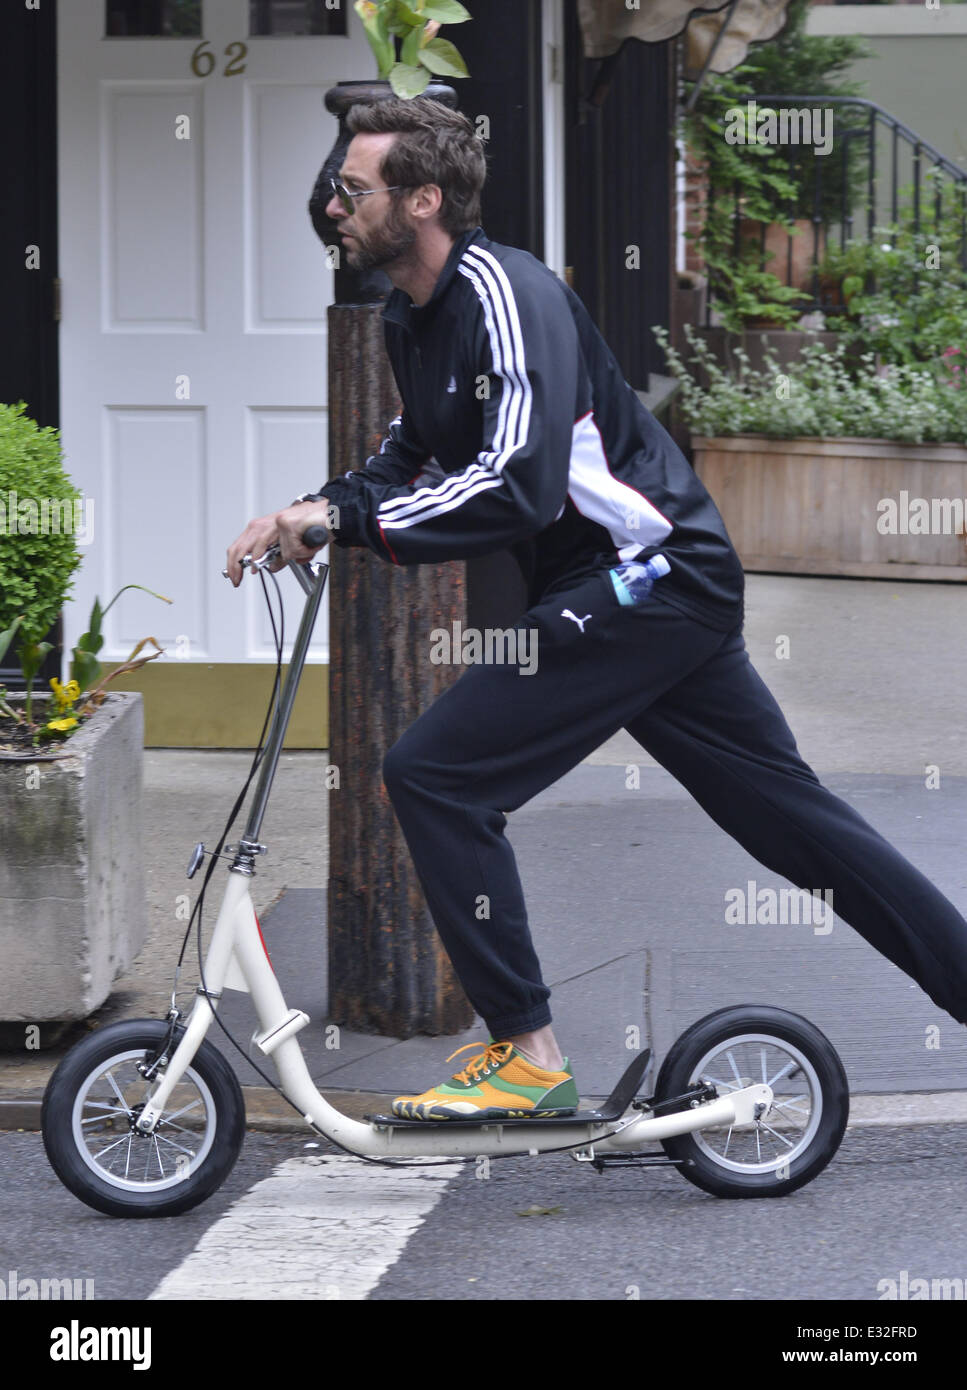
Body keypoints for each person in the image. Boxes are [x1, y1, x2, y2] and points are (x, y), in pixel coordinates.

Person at [227, 97, 967, 1122]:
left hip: (645, 580)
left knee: (433, 774)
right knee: (795, 826)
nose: (331, 204)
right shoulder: (415, 311)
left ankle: (526, 1053)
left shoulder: (507, 297)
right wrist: (317, 507)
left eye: (351, 189)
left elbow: (514, 485)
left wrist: (346, 528)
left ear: (424, 198)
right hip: (646, 588)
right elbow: (416, 453)